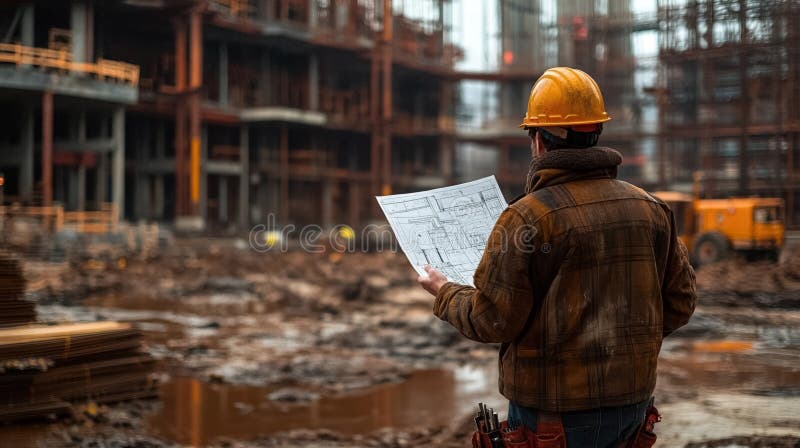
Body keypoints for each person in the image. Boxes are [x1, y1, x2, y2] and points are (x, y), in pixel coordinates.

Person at [417, 67, 696, 447]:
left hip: (552, 417)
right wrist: (621, 341)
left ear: (538, 141)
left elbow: (492, 320)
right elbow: (680, 303)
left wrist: (445, 291)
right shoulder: (651, 209)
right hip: (632, 407)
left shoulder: (527, 217)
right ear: (596, 131)